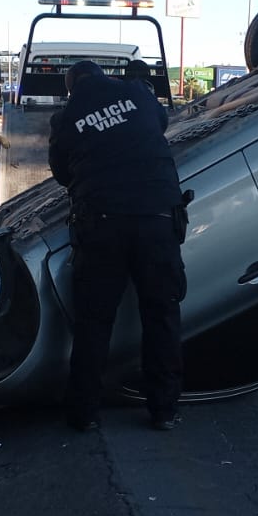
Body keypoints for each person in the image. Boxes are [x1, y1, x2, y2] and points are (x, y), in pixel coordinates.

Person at [49, 59, 187, 432]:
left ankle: (84, 413)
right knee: (161, 314)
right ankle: (164, 410)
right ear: (102, 75)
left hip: (102, 223)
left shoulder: (66, 117)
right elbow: (161, 123)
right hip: (157, 218)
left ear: (71, 87)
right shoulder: (137, 93)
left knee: (94, 321)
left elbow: (62, 174)